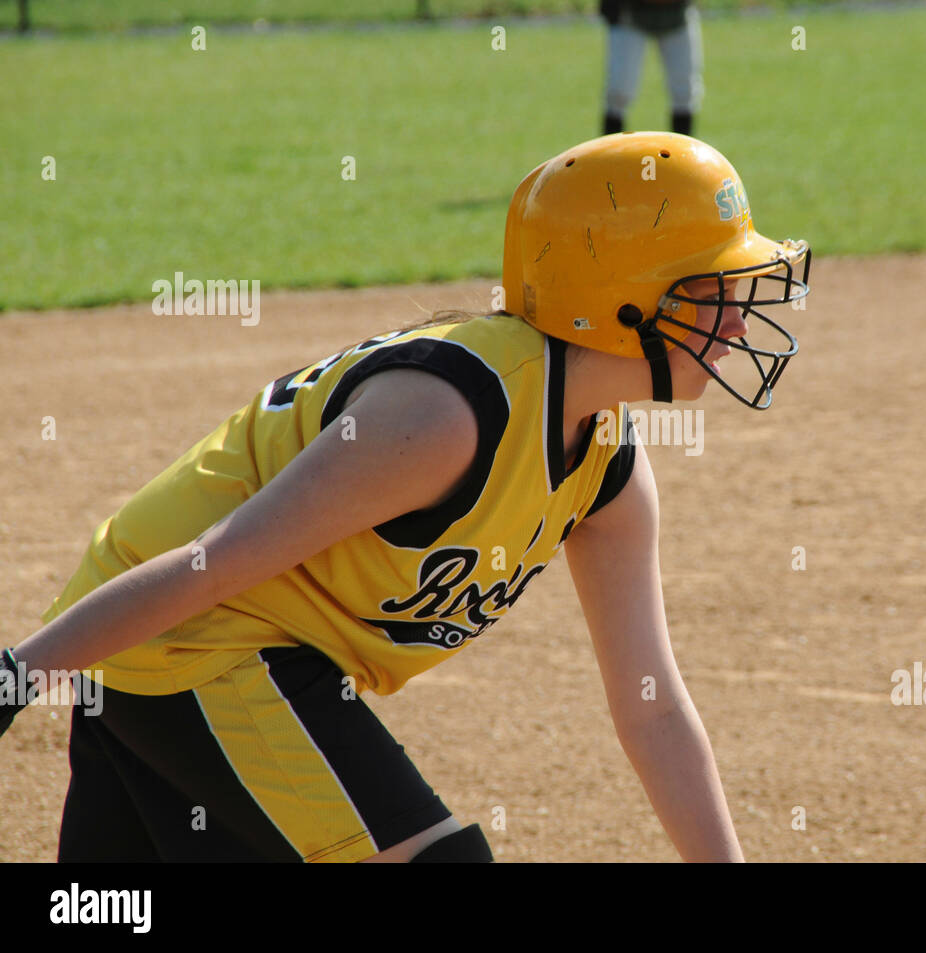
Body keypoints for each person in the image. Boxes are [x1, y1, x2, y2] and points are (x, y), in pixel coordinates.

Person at [0, 132, 811, 863]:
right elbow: (216, 564)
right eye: (712, 290)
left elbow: (653, 709)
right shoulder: (447, 418)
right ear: (618, 295)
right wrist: (15, 676)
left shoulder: (608, 476)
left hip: (231, 651)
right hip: (190, 634)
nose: (738, 322)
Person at [600, 0, 703, 136]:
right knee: (619, 89)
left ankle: (685, 154)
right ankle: (609, 153)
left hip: (677, 16)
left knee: (684, 89)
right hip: (629, 15)